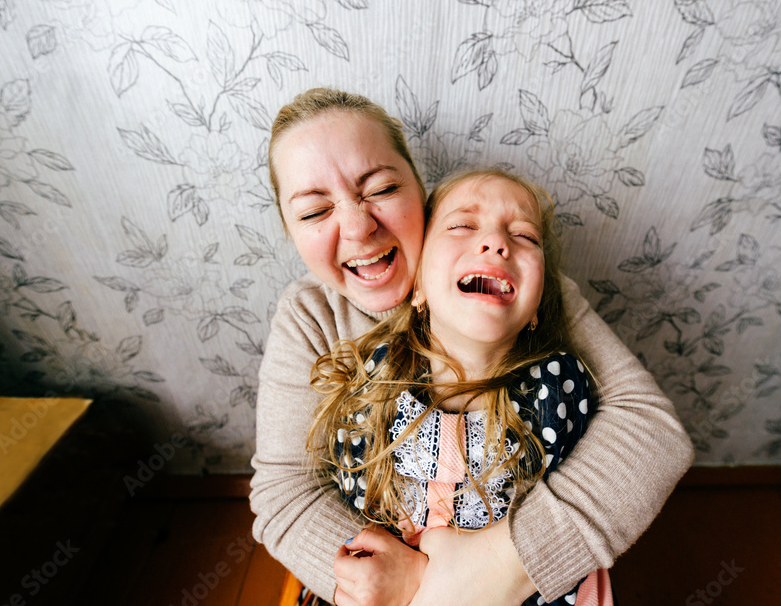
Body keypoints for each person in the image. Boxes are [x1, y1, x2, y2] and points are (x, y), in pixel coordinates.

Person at [249, 87, 693, 605]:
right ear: (290, 232)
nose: (357, 227)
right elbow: (285, 494)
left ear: (421, 189)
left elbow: (653, 434)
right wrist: (390, 587)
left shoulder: (515, 285)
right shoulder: (310, 316)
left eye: (381, 188)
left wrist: (498, 569)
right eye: (313, 212)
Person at [308, 169, 614, 606]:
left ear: (536, 309)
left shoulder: (559, 388)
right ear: (417, 288)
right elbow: (357, 514)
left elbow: (574, 524)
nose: (496, 243)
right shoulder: (373, 384)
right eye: (463, 225)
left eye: (525, 236)